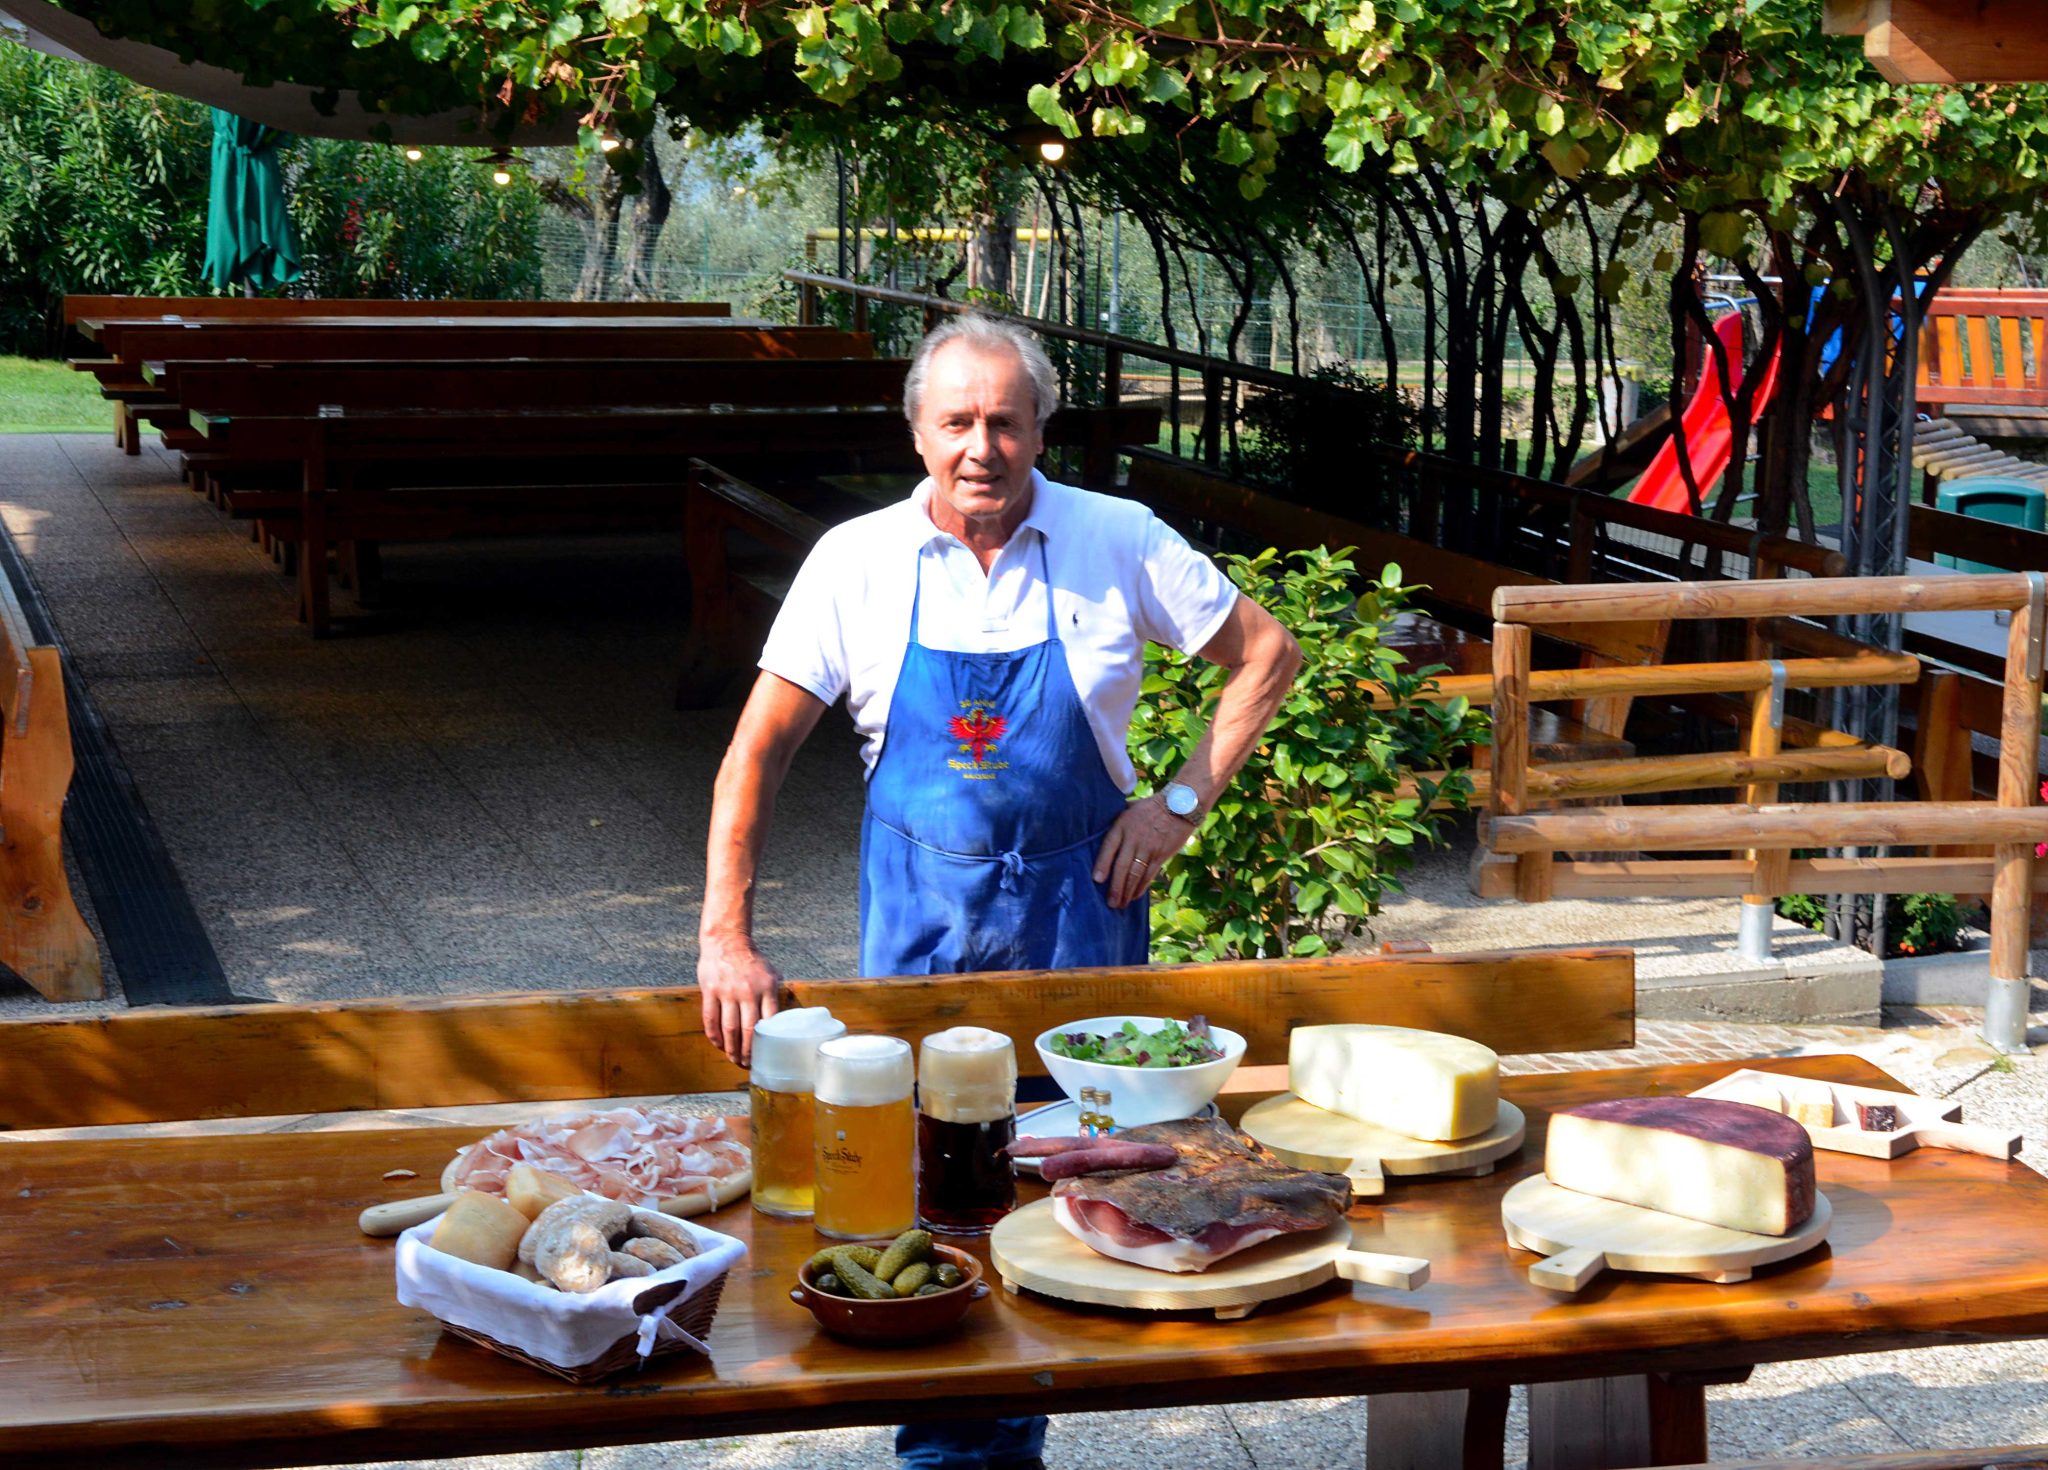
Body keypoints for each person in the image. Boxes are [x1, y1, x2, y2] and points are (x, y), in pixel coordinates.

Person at [696, 312, 1301, 1470]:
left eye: (1005, 421)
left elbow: (1264, 653)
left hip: (1081, 922)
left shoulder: (1114, 537)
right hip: (922, 934)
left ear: (1039, 430)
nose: (982, 445)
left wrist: (1174, 804)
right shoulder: (855, 561)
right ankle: (953, 1449)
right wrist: (726, 933)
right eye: (957, 421)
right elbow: (755, 751)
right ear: (917, 432)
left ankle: (1005, 1434)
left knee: (1079, 1185)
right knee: (931, 1198)